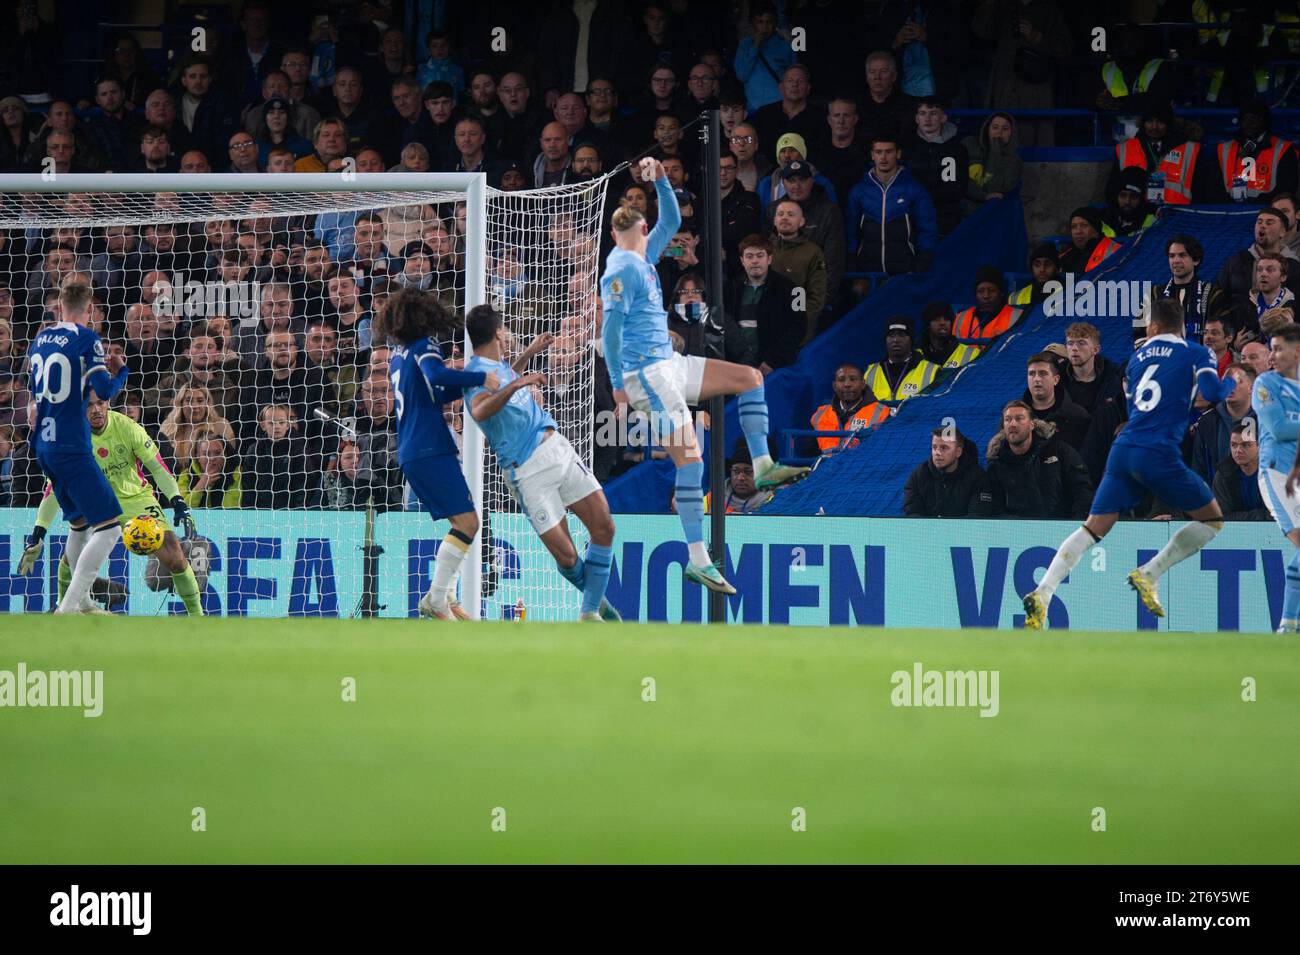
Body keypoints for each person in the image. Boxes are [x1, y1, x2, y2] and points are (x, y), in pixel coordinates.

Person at [600, 157, 808, 595]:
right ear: (636, 231)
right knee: (690, 462)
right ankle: (698, 559)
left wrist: (659, 181)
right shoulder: (620, 270)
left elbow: (672, 217)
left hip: (672, 366)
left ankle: (764, 466)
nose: (658, 235)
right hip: (647, 376)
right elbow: (610, 330)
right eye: (649, 229)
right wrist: (618, 384)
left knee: (751, 377)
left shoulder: (644, 255)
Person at [1023, 299, 1237, 629]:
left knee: (1092, 527)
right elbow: (1212, 392)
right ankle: (1150, 572)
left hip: (1123, 449)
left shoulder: (1137, 358)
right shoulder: (1196, 352)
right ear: (1181, 327)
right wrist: (1231, 383)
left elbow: (1147, 400)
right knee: (1212, 520)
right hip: (1159, 451)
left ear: (1152, 328)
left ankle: (1043, 592)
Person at [463, 304, 620, 622]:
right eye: (504, 330)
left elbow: (507, 378)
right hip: (527, 471)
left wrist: (529, 354)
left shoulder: (500, 366)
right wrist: (517, 384)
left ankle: (589, 611)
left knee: (604, 526)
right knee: (566, 555)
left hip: (558, 450)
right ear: (497, 333)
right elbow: (479, 411)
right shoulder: (474, 374)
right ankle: (596, 604)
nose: (507, 336)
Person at [374, 288, 499, 621]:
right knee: (469, 522)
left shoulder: (399, 355)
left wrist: (471, 386)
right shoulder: (425, 346)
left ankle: (448, 596)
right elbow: (438, 375)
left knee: (462, 521)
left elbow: (439, 392)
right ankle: (437, 597)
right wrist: (479, 376)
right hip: (430, 446)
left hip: (414, 449)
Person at [17, 394, 203, 615]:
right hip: (94, 499)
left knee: (172, 548)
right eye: (89, 406)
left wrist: (178, 501)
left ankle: (197, 615)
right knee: (74, 550)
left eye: (101, 403)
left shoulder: (127, 427)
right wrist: (39, 530)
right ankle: (62, 607)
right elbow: (54, 490)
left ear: (108, 403)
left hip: (134, 497)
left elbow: (157, 467)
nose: (96, 410)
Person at [25, 283, 129, 614]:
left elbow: (35, 389)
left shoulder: (40, 339)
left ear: (59, 308)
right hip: (72, 445)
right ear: (89, 311)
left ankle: (81, 602)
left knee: (79, 523)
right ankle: (67, 608)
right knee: (110, 528)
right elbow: (104, 388)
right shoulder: (87, 339)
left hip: (44, 444)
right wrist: (121, 370)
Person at [846, 134, 937, 276]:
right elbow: (850, 232)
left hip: (904, 274)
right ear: (872, 155)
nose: (883, 157)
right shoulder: (859, 191)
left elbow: (927, 230)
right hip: (867, 274)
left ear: (898, 154)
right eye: (878, 152)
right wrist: (853, 265)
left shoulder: (914, 189)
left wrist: (920, 265)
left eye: (889, 152)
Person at [984, 401, 1092, 521]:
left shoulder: (1060, 451)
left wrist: (1075, 524)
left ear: (1032, 425)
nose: (1013, 424)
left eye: (1019, 418)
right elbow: (996, 509)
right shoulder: (996, 466)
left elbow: (1082, 489)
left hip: (1062, 531)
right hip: (1018, 534)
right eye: (1008, 420)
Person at [1260, 324, 1300, 631]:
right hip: (1276, 475)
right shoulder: (1266, 383)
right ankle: (1287, 625)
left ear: (1296, 351)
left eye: (1277, 348)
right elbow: (1280, 430)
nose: (1271, 356)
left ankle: (1289, 626)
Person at [1153, 234, 1228, 344]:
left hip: (1201, 357)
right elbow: (1139, 332)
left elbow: (1222, 332)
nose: (1176, 260)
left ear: (1196, 260)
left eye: (1182, 255)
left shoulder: (1213, 294)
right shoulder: (1154, 294)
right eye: (1172, 256)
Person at [903, 426, 992, 517]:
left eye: (944, 448)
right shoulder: (917, 477)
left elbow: (977, 517)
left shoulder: (979, 479)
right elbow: (913, 514)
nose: (937, 452)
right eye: (934, 447)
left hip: (963, 531)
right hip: (927, 530)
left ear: (958, 452)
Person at [1190, 363, 1258, 483]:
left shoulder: (1264, 421)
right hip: (1216, 497)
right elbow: (1199, 468)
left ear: (1252, 388)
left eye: (1238, 381)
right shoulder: (1207, 421)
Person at [808, 363, 890, 455]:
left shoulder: (882, 413)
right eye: (841, 380)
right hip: (826, 468)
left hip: (864, 467)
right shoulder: (820, 415)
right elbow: (809, 454)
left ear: (863, 384)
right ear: (834, 386)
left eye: (853, 379)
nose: (847, 384)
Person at [1023, 351, 1091, 451]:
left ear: (1056, 380)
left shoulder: (1078, 416)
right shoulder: (1012, 417)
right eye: (1032, 374)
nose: (1036, 379)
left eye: (1043, 373)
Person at [863, 318, 939, 403]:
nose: (896, 340)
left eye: (901, 335)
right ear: (885, 340)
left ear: (911, 339)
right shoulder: (869, 372)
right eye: (891, 335)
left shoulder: (932, 371)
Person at [963, 111, 1022, 206]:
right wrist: (981, 195)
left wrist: (995, 151)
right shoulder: (969, 144)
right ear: (987, 129)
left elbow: (993, 191)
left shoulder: (1014, 162)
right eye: (995, 127)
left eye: (1005, 129)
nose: (999, 132)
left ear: (1011, 134)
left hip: (988, 211)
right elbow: (957, 179)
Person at [1214, 422, 1270, 521]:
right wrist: (1260, 516)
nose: (1238, 450)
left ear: (1259, 446)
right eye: (1234, 445)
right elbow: (1221, 516)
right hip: (1234, 533)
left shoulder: (1273, 473)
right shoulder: (1223, 474)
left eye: (1246, 445)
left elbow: (1276, 515)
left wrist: (1238, 517)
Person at [1058, 207, 1120, 276]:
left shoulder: (1114, 251)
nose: (1078, 231)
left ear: (1096, 230)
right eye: (1074, 227)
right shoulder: (1065, 254)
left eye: (1084, 226)